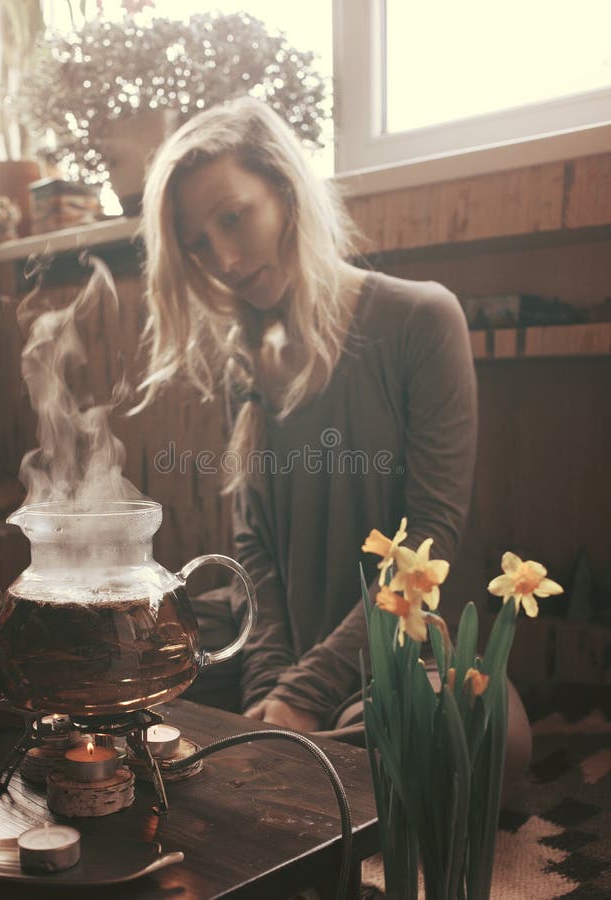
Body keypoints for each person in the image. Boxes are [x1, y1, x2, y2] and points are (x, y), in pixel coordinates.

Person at [138, 97, 530, 788]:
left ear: (286, 191)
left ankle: (295, 753)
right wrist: (270, 688)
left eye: (233, 217)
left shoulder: (422, 317)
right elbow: (254, 546)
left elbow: (431, 536)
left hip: (402, 651)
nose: (223, 259)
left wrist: (306, 693)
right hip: (283, 652)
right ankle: (303, 755)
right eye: (197, 243)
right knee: (135, 657)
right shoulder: (243, 360)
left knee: (483, 726)